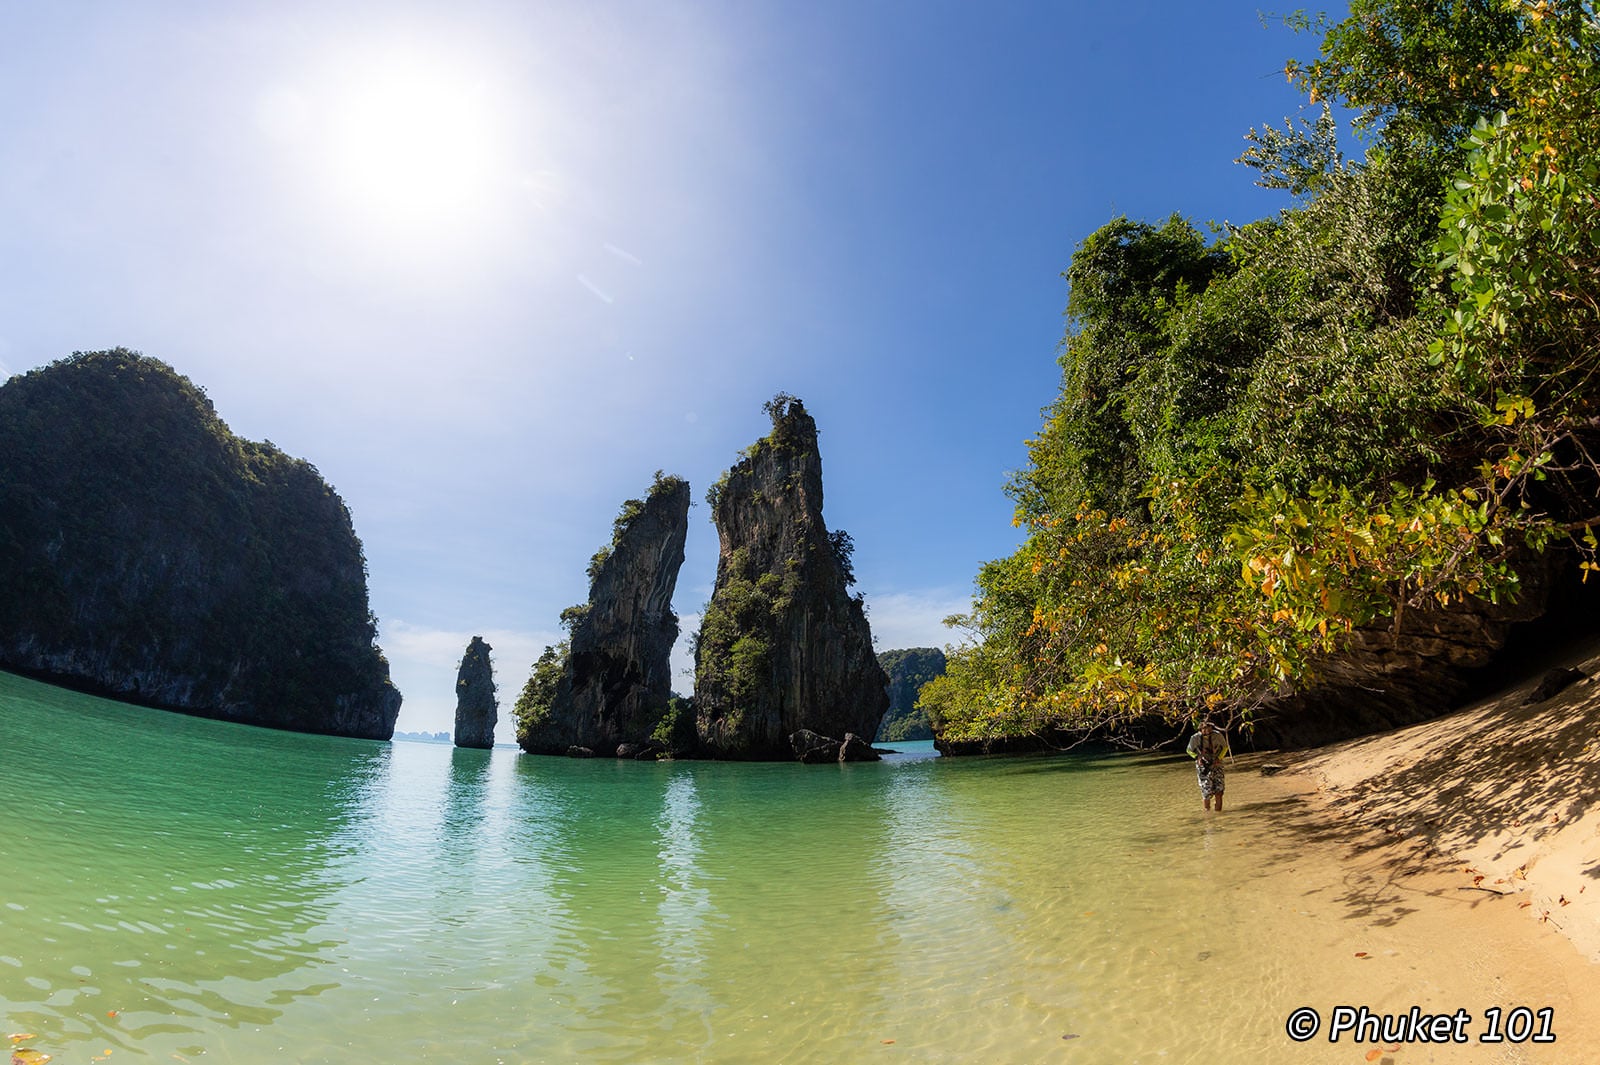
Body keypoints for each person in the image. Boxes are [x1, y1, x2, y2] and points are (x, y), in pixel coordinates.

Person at [1186, 718, 1230, 812]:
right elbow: (1189, 750)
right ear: (1200, 728)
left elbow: (1225, 747)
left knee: (1219, 791)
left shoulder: (1217, 735)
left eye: (1209, 727)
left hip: (1217, 765)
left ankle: (1218, 812)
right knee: (1206, 792)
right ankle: (1208, 812)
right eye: (1205, 728)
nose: (1207, 730)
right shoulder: (1195, 738)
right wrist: (1197, 757)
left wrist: (1219, 758)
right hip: (1203, 767)